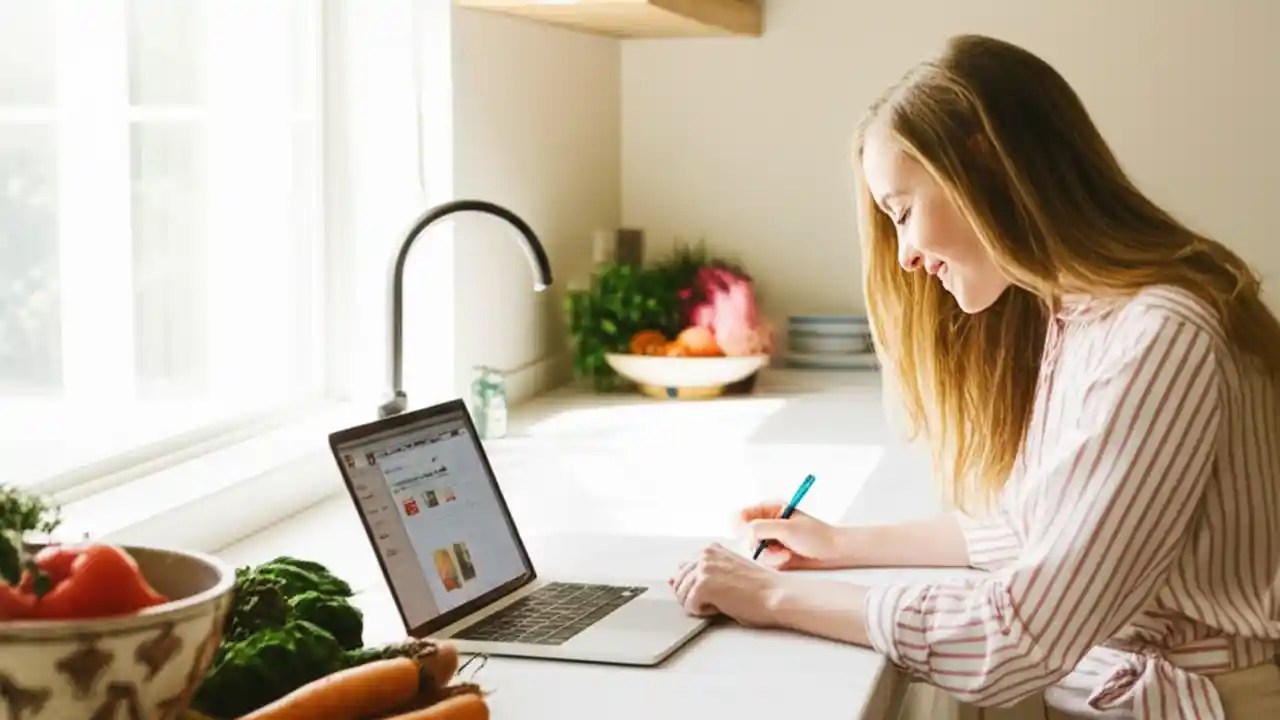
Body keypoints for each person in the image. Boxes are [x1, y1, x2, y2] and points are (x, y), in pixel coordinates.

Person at [668, 34, 1280, 719]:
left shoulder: (1159, 334)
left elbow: (1013, 638)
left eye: (902, 211)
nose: (904, 256)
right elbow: (1036, 528)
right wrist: (842, 546)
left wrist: (773, 595)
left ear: (983, 162)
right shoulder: (1085, 318)